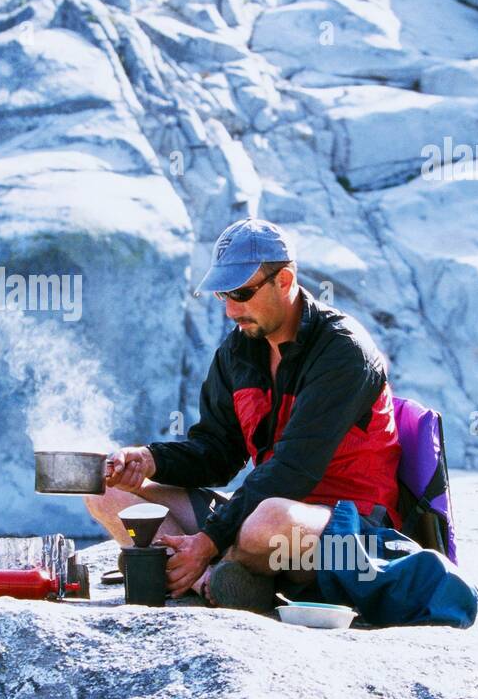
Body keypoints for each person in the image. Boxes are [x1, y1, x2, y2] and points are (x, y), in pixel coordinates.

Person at [86, 217, 403, 610]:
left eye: (241, 292)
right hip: (261, 514)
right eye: (224, 294)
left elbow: (293, 471)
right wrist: (151, 460)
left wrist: (208, 541)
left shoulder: (343, 351)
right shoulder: (238, 351)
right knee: (105, 491)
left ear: (284, 280)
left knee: (267, 522)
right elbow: (217, 454)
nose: (231, 310)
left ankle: (203, 569)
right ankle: (216, 577)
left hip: (344, 528)